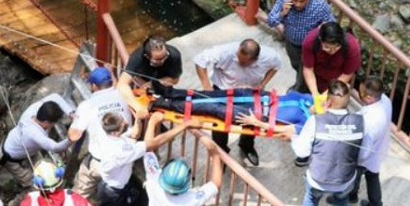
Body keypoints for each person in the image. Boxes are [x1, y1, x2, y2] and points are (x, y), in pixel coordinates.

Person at [87, 111, 196, 206]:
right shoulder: (120, 151)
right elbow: (153, 142)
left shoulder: (113, 139)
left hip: (115, 188)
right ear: (119, 128)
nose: (126, 122)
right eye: (124, 122)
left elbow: (132, 136)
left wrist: (138, 120)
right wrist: (181, 126)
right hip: (113, 192)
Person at [291, 80, 363, 206]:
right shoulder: (360, 122)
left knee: (311, 199)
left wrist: (293, 137)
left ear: (328, 101)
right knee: (342, 201)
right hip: (345, 179)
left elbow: (301, 152)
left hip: (318, 178)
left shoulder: (316, 121)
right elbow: (362, 153)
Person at [194, 38, 282, 166]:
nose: (240, 62)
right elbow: (199, 61)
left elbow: (276, 66)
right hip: (224, 91)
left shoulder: (269, 56)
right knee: (220, 124)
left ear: (255, 60)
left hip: (249, 93)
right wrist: (207, 88)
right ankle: (221, 152)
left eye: (244, 62)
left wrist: (263, 83)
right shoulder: (225, 52)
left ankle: (247, 146)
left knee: (252, 120)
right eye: (239, 59)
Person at [149, 87, 315, 139]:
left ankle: (164, 103)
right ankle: (169, 93)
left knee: (210, 107)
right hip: (260, 98)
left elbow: (285, 131)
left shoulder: (309, 123)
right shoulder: (309, 99)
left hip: (255, 116)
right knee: (210, 95)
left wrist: (257, 124)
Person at [68, 67, 132, 200]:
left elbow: (74, 136)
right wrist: (112, 72)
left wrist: (76, 121)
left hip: (101, 162)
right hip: (125, 161)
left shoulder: (87, 105)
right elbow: (116, 87)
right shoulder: (123, 95)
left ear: (93, 86)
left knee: (78, 196)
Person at [266, 0, 336, 90]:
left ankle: (299, 90)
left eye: (302, 1)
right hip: (291, 42)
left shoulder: (319, 5)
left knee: (304, 71)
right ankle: (303, 85)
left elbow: (332, 23)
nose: (298, 4)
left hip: (310, 46)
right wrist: (282, 13)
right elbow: (270, 21)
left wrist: (322, 29)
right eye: (295, 0)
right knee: (296, 66)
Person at [1, 93, 75, 189]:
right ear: (46, 123)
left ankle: (22, 181)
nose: (53, 126)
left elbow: (55, 97)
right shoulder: (35, 134)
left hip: (20, 146)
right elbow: (55, 147)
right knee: (34, 187)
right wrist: (71, 139)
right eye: (53, 123)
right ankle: (15, 203)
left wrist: (71, 113)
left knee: (43, 168)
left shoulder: (35, 110)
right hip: (10, 158)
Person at [349, 77, 393, 206]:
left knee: (354, 175)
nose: (359, 94)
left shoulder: (370, 120)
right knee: (373, 176)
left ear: (369, 98)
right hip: (379, 147)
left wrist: (355, 160)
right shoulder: (385, 100)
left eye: (361, 93)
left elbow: (364, 152)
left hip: (366, 153)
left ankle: (350, 196)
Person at [118, 35, 183, 119]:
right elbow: (122, 84)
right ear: (147, 57)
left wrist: (153, 84)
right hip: (140, 82)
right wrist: (138, 108)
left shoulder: (174, 55)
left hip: (162, 83)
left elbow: (175, 79)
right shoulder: (137, 58)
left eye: (165, 56)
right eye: (158, 59)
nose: (163, 60)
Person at [301, 21, 361, 97]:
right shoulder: (310, 41)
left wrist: (326, 94)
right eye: (327, 47)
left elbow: (347, 74)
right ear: (320, 39)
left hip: (337, 80)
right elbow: (308, 69)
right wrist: (314, 93)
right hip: (314, 77)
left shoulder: (352, 47)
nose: (332, 51)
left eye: (337, 46)